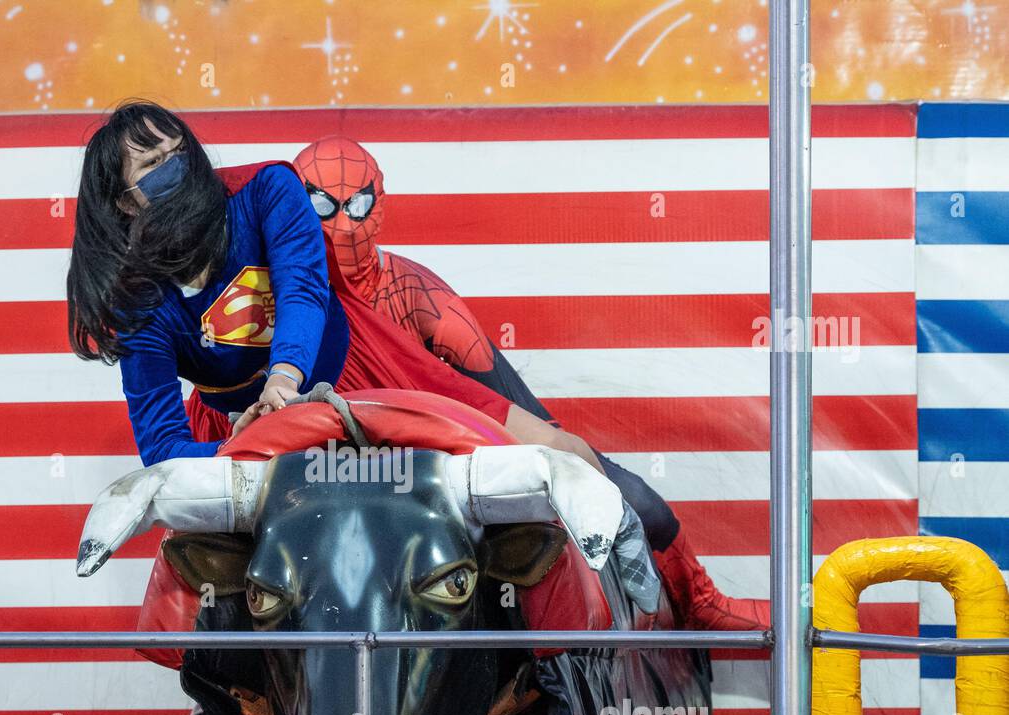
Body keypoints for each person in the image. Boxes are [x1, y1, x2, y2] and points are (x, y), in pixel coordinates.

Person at [292, 135, 768, 631]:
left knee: (632, 500)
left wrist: (561, 453)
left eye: (357, 205)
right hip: (318, 465)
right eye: (321, 206)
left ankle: (699, 602)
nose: (342, 225)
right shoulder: (275, 296)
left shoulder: (419, 296)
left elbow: (498, 397)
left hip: (440, 455)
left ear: (379, 205)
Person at [66, 100, 604, 472]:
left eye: (178, 151)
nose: (175, 167)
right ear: (124, 201)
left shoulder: (265, 190)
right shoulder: (135, 306)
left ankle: (658, 584)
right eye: (153, 165)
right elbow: (162, 447)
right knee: (195, 584)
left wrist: (283, 381)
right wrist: (241, 441)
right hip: (244, 434)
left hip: (364, 369)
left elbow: (303, 288)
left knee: (554, 451)